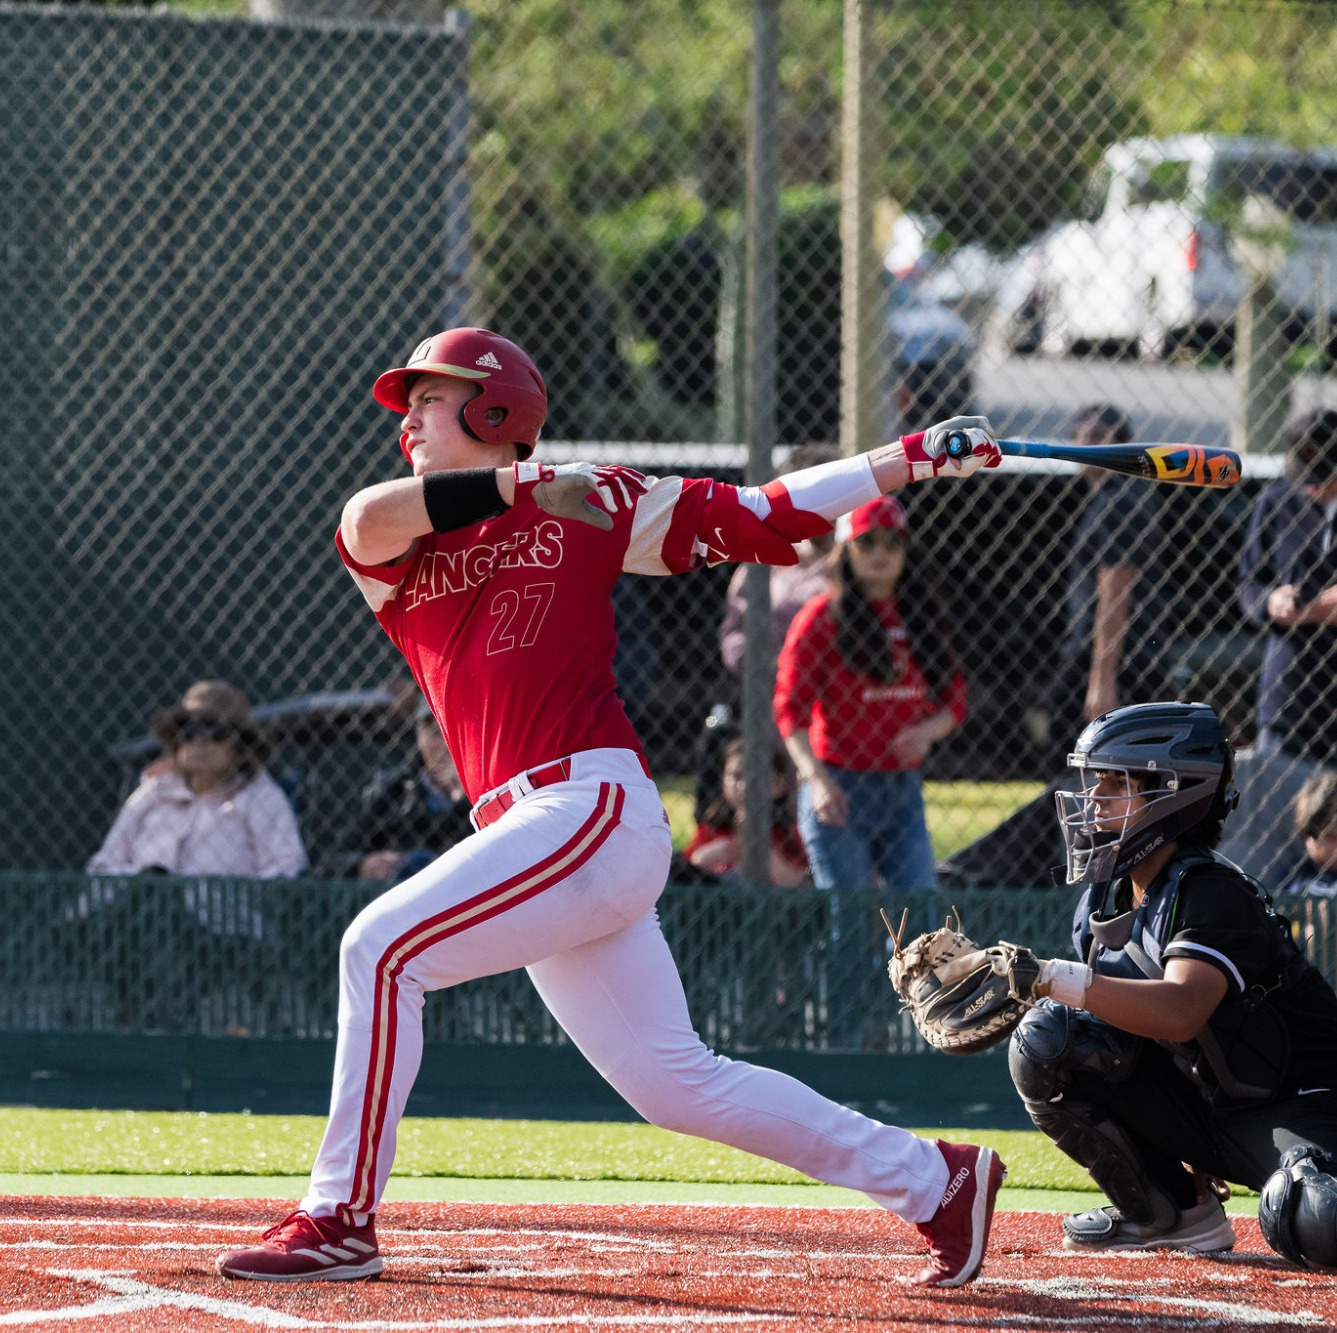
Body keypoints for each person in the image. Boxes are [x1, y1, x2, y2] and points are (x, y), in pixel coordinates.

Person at [215, 326, 1009, 1289]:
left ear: (495, 408)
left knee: (378, 950)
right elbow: (365, 516)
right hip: (529, 833)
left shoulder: (595, 503)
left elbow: (763, 514)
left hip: (585, 804)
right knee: (675, 1083)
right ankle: (934, 1182)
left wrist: (908, 457)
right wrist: (524, 485)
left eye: (430, 398)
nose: (408, 420)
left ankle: (340, 1217)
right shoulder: (402, 540)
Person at [1003, 702, 1337, 1263]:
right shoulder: (1104, 898)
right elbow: (1132, 1028)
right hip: (1213, 1101)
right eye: (1095, 779)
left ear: (1172, 794)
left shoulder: (1210, 891)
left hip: (1296, 1103)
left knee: (1315, 1215)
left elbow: (1180, 1011)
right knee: (1048, 1041)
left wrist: (1048, 977)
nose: (1094, 798)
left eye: (1116, 782)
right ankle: (1172, 1213)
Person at [775, 494, 964, 890]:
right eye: (867, 542)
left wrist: (927, 732)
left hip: (903, 789)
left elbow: (955, 700)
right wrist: (816, 780)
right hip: (839, 788)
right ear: (846, 550)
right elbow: (790, 711)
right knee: (852, 916)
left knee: (921, 908)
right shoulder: (821, 618)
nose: (881, 553)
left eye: (893, 543)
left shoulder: (922, 616)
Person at [1237, 408, 1337, 769]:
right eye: (1306, 478)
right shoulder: (1276, 500)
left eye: (1324, 477)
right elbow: (1248, 582)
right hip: (1290, 698)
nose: (1314, 488)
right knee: (1280, 795)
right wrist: (1271, 603)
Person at [1039, 405, 1171, 750]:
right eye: (1080, 437)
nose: (1086, 445)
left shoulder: (1120, 502)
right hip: (1117, 655)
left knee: (1071, 754)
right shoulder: (1115, 497)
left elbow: (1115, 592)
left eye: (1097, 437)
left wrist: (1102, 679)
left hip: (1119, 660)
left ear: (1122, 444)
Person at [88, 680, 307, 878]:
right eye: (189, 731)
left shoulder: (261, 796)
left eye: (216, 732)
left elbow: (286, 867)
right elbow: (104, 865)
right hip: (145, 905)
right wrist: (144, 880)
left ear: (240, 746)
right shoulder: (152, 792)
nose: (199, 742)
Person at [718, 443, 841, 684]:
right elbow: (734, 634)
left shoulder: (853, 559)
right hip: (771, 686)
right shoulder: (763, 562)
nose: (819, 509)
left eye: (829, 498)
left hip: (836, 685)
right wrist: (769, 665)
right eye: (807, 498)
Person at [320, 701, 470, 881]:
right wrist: (363, 864)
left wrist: (463, 795)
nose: (444, 744)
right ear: (420, 737)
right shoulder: (391, 788)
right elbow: (332, 856)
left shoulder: (487, 791)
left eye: (453, 730)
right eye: (436, 733)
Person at [685, 735, 808, 886]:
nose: (744, 786)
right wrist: (702, 858)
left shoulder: (788, 833)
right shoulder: (712, 829)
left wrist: (761, 848)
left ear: (778, 785)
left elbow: (798, 882)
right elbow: (682, 872)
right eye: (736, 776)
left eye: (755, 778)